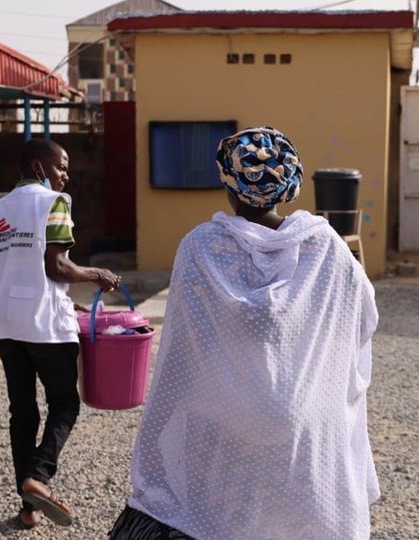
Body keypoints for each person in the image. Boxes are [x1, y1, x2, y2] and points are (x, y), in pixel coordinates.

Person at [109, 127, 380, 539]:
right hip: (309, 424)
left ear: (229, 187)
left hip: (225, 423)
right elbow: (362, 320)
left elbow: (185, 343)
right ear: (289, 186)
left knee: (224, 519)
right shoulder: (327, 247)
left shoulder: (202, 248)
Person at [0, 139, 120, 530]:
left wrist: (64, 301)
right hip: (43, 325)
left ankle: (28, 508)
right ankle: (38, 478)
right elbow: (58, 267)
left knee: (22, 411)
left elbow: (15, 269)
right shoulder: (52, 202)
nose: (65, 175)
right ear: (38, 166)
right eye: (61, 166)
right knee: (64, 403)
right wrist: (98, 274)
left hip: (6, 323)